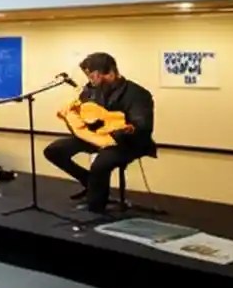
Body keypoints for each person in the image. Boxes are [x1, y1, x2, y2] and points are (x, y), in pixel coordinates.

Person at [44, 52, 155, 213]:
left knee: (101, 164)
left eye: (93, 76)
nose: (91, 81)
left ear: (110, 73)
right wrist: (73, 118)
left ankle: (96, 209)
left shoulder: (137, 94)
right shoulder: (90, 90)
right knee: (54, 150)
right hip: (95, 136)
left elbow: (142, 126)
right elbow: (84, 114)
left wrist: (115, 133)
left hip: (126, 142)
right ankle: (89, 181)